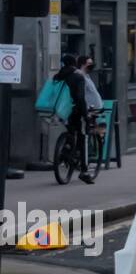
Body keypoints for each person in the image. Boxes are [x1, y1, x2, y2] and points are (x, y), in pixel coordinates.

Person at [54, 54, 90, 183]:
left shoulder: (57, 76)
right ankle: (84, 170)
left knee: (70, 131)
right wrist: (86, 115)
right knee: (81, 135)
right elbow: (80, 98)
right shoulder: (78, 76)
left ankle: (65, 149)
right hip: (74, 110)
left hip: (60, 110)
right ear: (74, 63)